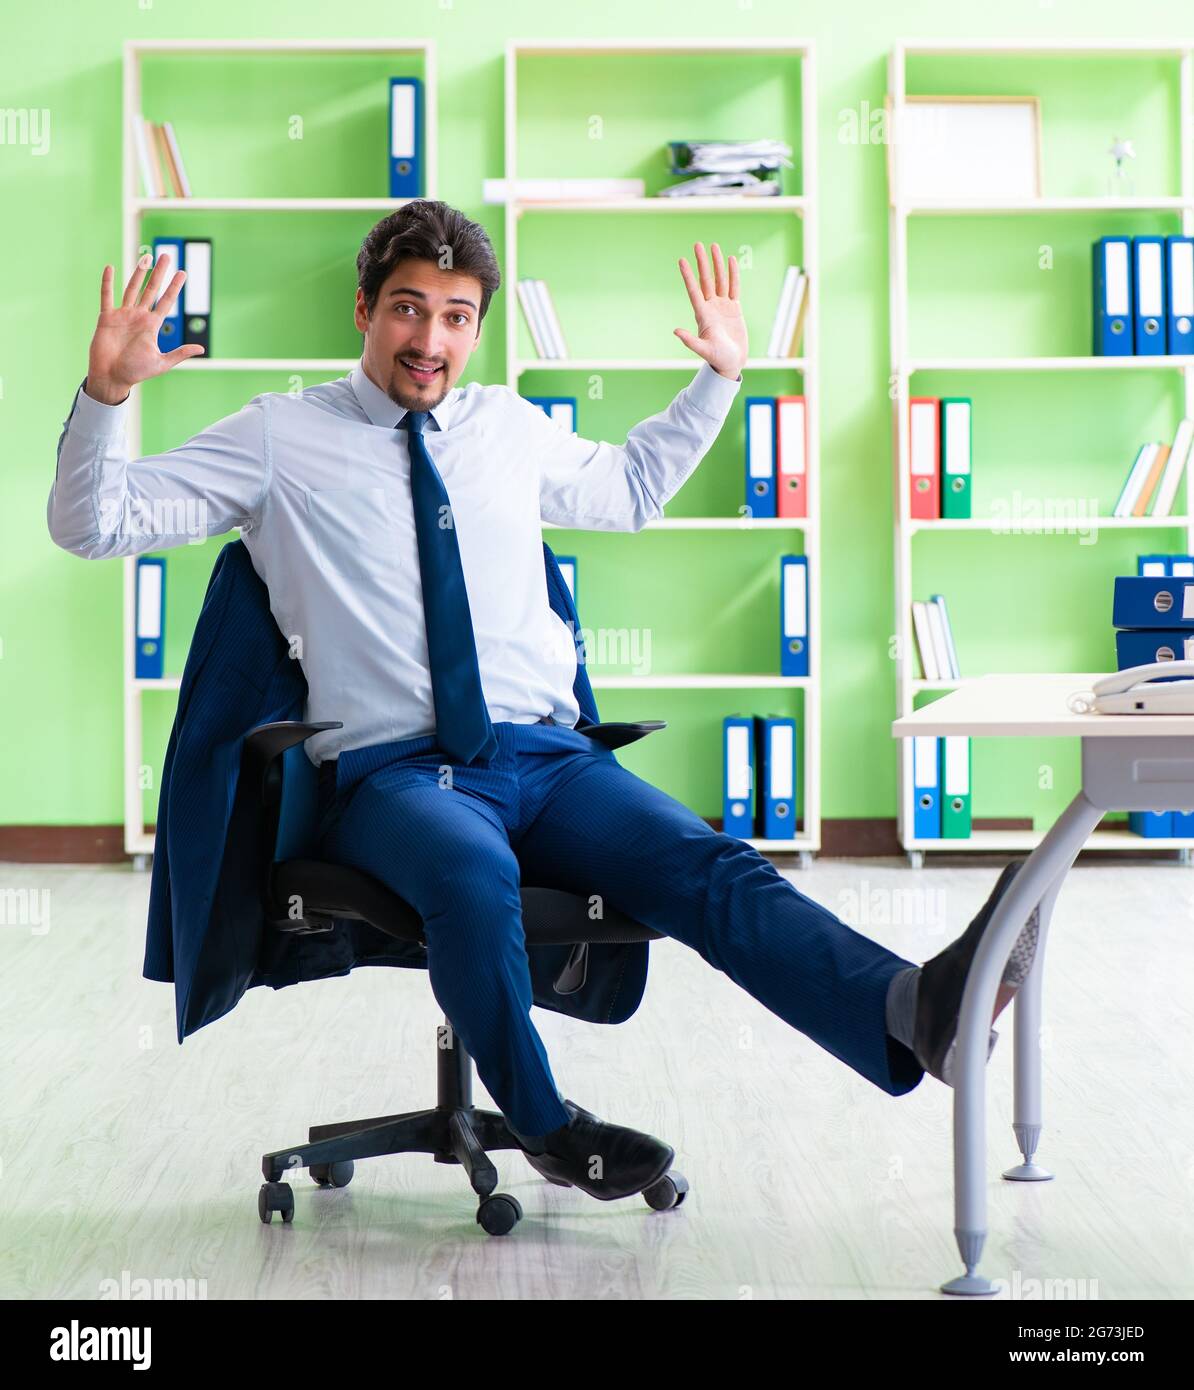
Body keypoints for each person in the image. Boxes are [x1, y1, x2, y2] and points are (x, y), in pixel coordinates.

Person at [47, 200, 1040, 1204]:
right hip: (398, 772)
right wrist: (107, 394)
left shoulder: (508, 428)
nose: (430, 339)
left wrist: (720, 378)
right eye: (407, 309)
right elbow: (95, 523)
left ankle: (917, 1008)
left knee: (708, 862)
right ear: (363, 309)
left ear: (477, 327)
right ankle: (547, 1121)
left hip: (546, 758)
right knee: (472, 873)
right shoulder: (278, 436)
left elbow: (631, 491)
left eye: (455, 316)